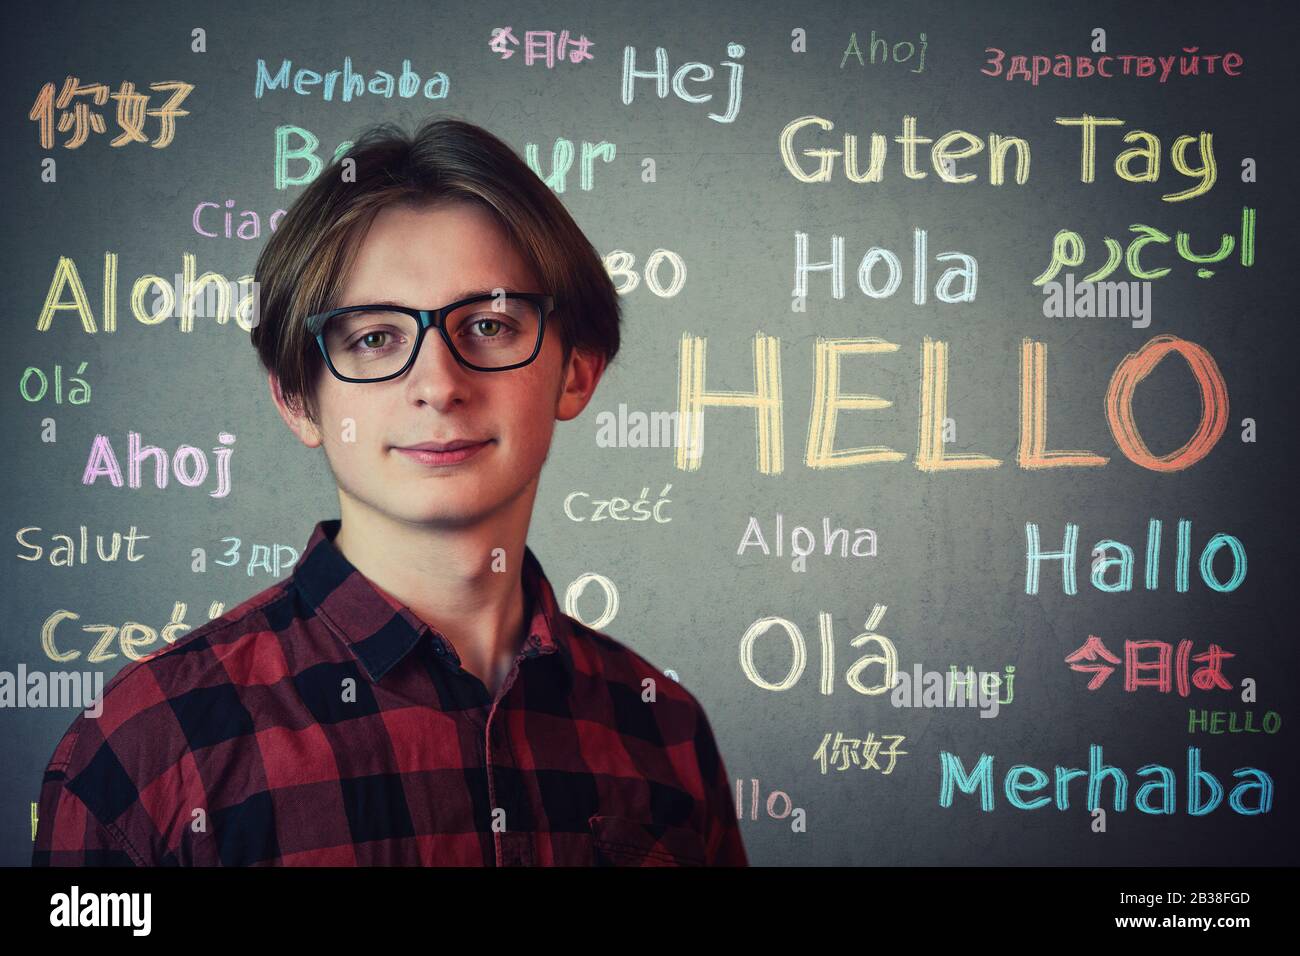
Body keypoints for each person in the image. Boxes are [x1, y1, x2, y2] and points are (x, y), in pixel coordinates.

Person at [32, 117, 748, 867]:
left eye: (491, 325)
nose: (438, 384)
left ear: (578, 370)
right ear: (298, 401)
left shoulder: (663, 733)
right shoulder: (146, 749)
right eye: (374, 338)